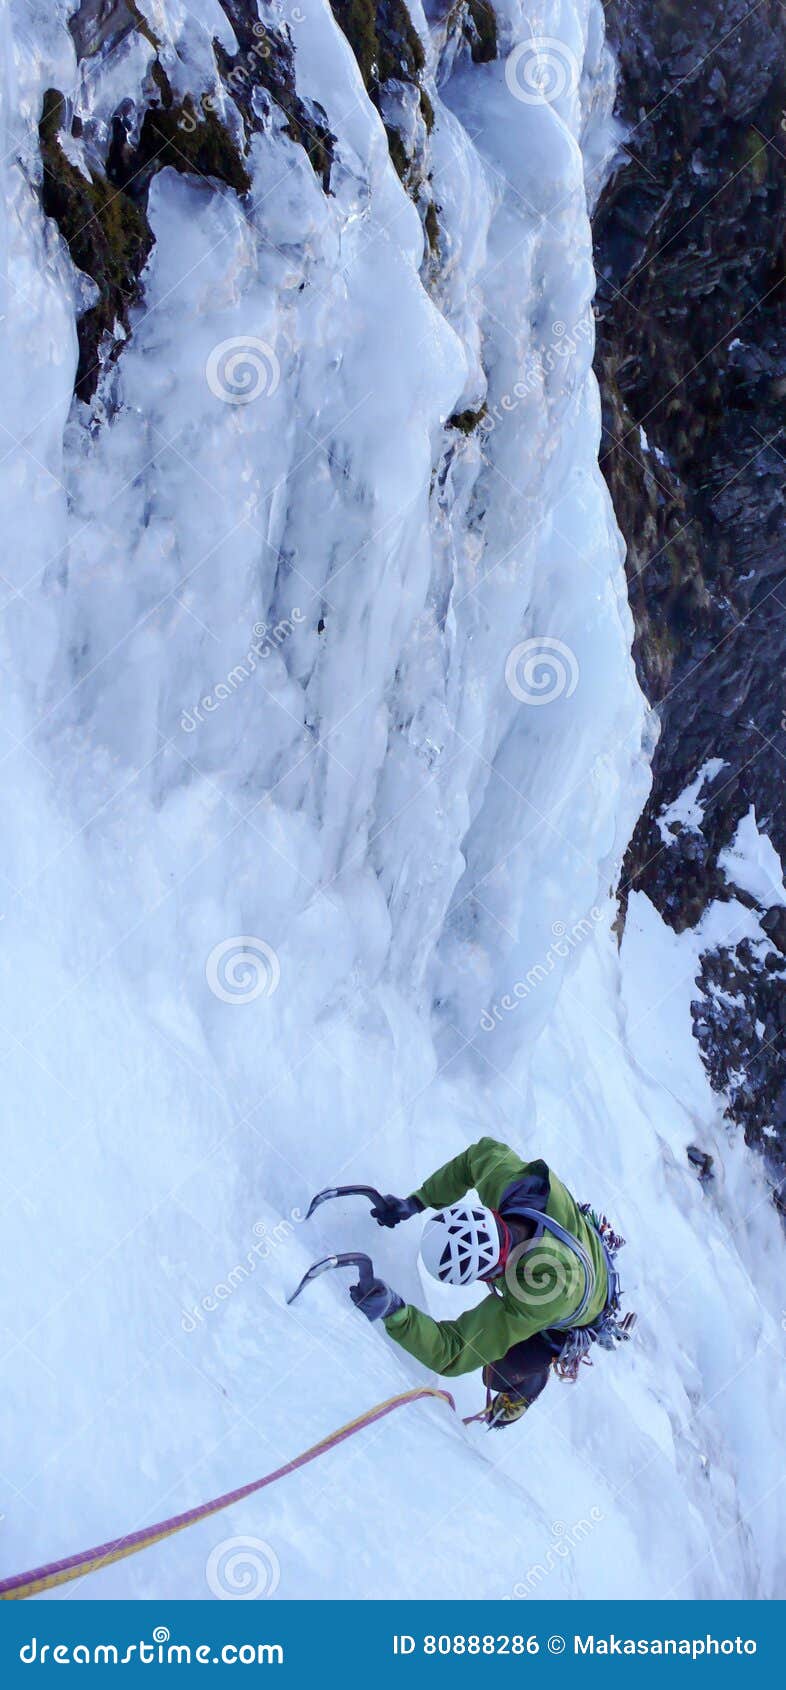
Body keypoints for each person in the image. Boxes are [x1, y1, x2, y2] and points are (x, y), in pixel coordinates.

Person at [349, 1136, 620, 1427]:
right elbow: (478, 1157)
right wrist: (416, 1202)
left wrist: (394, 1311)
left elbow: (454, 1352)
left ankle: (527, 1387)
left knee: (496, 1372)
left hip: (584, 1304)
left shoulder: (540, 1295)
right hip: (579, 1240)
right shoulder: (516, 1189)